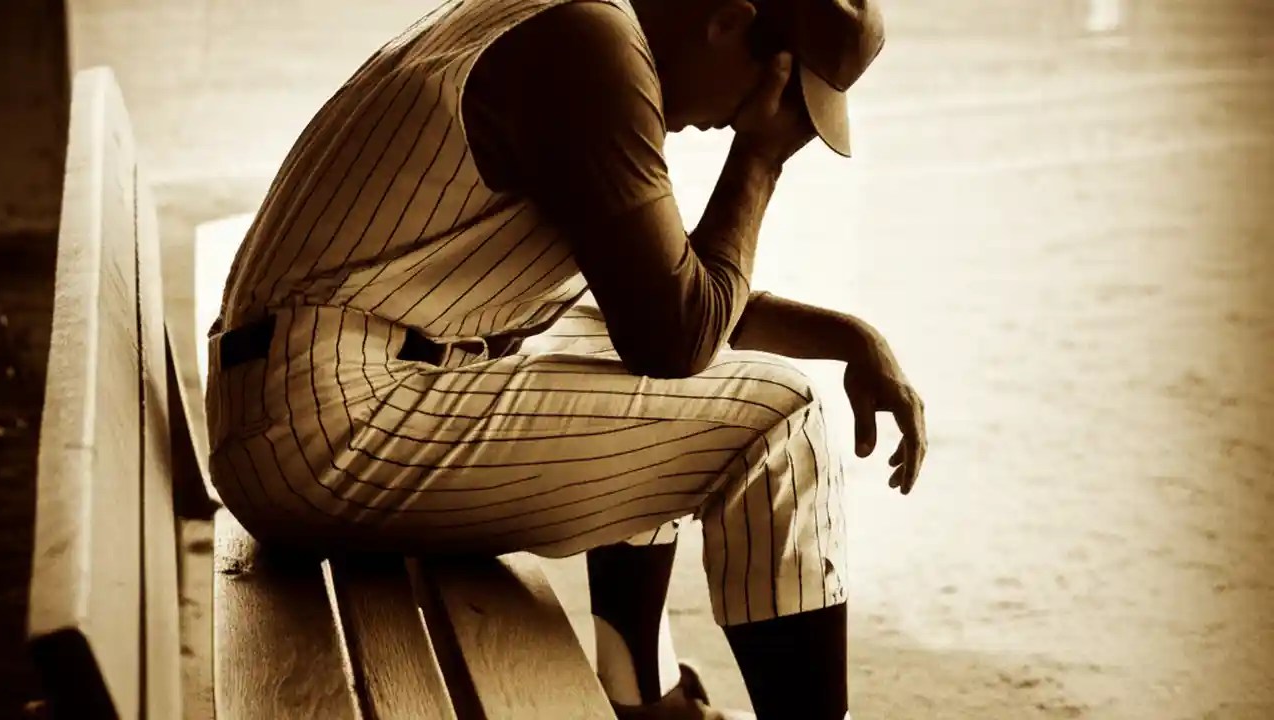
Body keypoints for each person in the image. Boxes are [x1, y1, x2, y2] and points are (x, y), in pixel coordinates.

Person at [204, 0, 925, 717]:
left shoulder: (585, 25)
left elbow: (664, 293)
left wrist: (853, 340)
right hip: (328, 426)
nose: (747, 120)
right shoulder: (593, 52)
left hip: (305, 400)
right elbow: (674, 336)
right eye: (774, 96)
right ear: (728, 20)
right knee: (780, 420)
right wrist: (760, 161)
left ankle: (640, 697)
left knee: (656, 373)